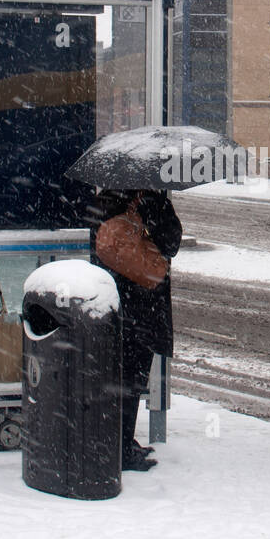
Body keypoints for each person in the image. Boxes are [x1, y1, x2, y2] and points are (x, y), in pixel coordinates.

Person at [90, 189, 182, 472]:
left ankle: (111, 440)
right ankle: (121, 448)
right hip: (142, 308)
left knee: (113, 377)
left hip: (111, 301)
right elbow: (170, 244)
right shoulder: (152, 202)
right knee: (131, 382)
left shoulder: (105, 199)